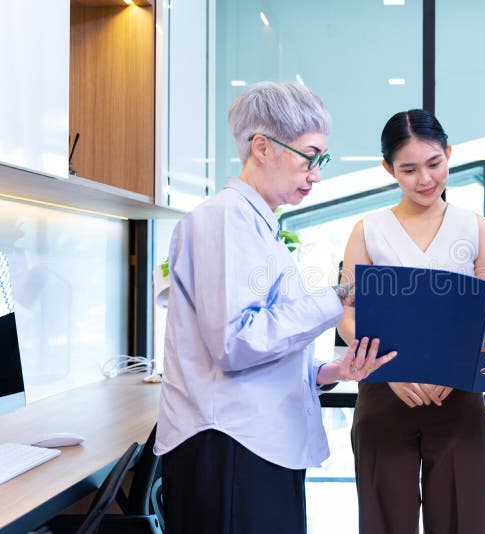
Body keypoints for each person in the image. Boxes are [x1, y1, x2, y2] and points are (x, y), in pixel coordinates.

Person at [154, 82, 396, 534]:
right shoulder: (225, 219)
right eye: (309, 155)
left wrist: (329, 371)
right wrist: (339, 296)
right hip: (230, 445)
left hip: (253, 442)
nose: (316, 174)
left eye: (321, 159)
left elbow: (263, 343)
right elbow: (236, 343)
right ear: (261, 147)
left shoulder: (258, 226)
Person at [337, 109, 485, 534]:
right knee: (385, 520)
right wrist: (392, 369)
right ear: (388, 168)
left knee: (463, 518)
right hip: (385, 396)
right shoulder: (368, 230)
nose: (425, 179)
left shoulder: (476, 228)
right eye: (409, 169)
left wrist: (456, 365)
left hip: (459, 395)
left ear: (448, 154)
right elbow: (346, 314)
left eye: (434, 164)